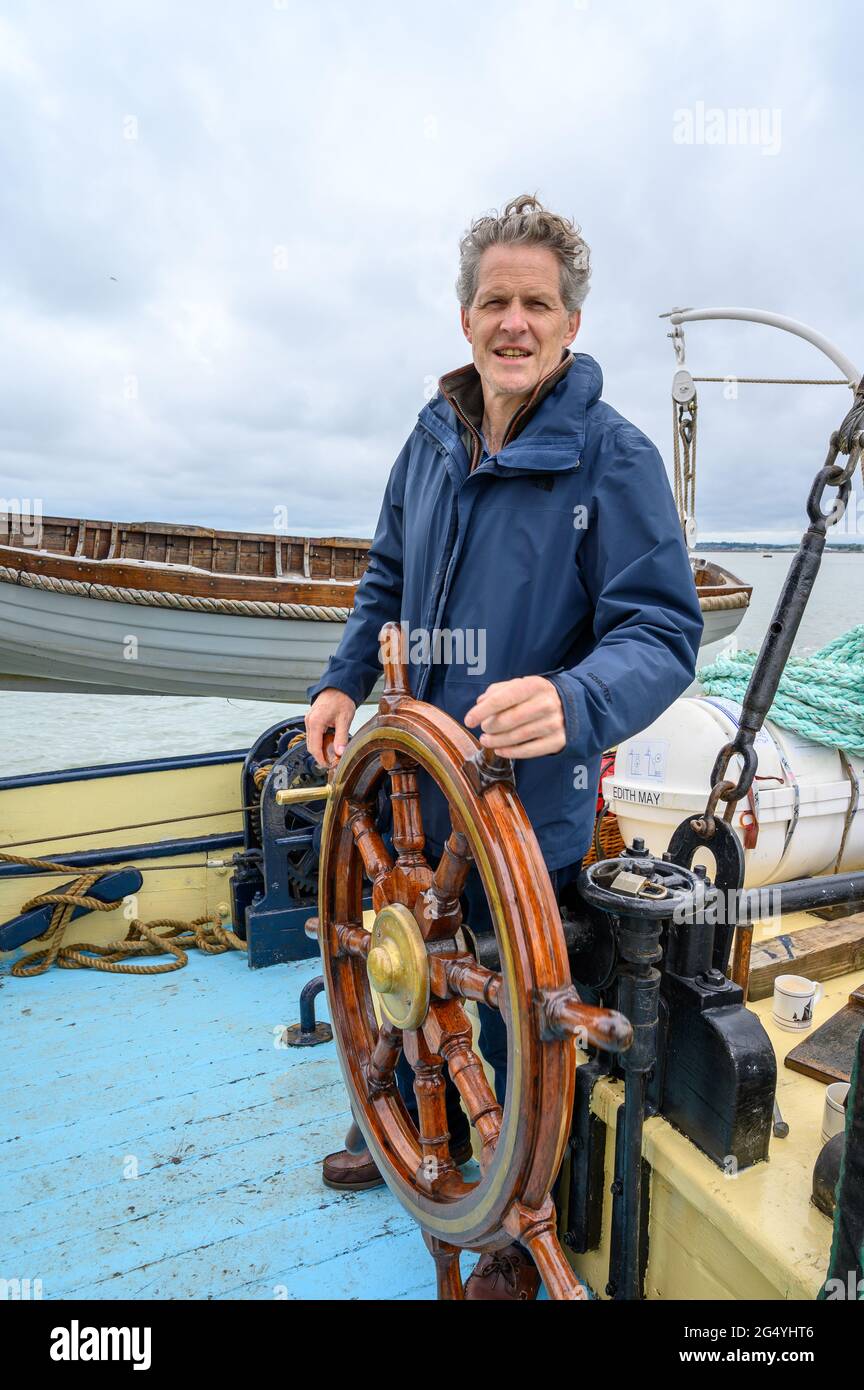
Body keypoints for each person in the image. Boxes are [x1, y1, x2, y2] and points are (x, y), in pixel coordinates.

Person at [304, 193, 704, 1299]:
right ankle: (397, 1128)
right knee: (396, 956)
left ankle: (506, 1228)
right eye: (495, 301)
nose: (513, 322)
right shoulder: (430, 438)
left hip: (525, 805)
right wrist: (340, 683)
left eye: (537, 303)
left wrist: (576, 700)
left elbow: (665, 631)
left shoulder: (613, 461)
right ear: (466, 314)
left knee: (510, 1002)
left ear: (572, 323)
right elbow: (382, 581)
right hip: (405, 786)